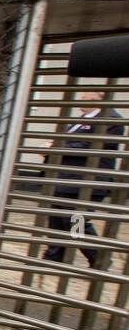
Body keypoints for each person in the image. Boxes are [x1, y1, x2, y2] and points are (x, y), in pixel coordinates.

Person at [41, 89, 125, 268]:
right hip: (65, 179)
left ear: (99, 98)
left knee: (76, 220)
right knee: (56, 218)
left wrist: (55, 146)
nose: (82, 100)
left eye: (87, 97)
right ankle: (54, 256)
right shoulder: (79, 121)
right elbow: (66, 140)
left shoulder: (111, 119)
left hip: (87, 182)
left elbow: (90, 144)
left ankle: (98, 258)